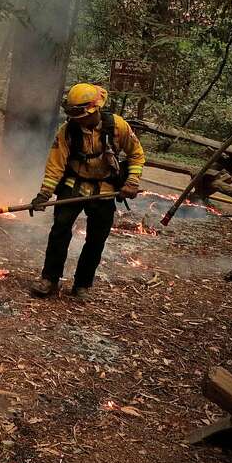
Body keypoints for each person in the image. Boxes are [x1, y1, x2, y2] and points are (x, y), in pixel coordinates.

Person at [29, 83, 145, 300]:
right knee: (59, 231)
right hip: (73, 184)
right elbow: (55, 165)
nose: (77, 119)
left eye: (81, 115)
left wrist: (131, 182)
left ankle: (82, 285)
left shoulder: (117, 126)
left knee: (96, 239)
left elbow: (136, 154)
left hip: (105, 188)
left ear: (94, 109)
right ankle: (49, 279)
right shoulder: (67, 131)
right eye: (74, 115)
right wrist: (44, 194)